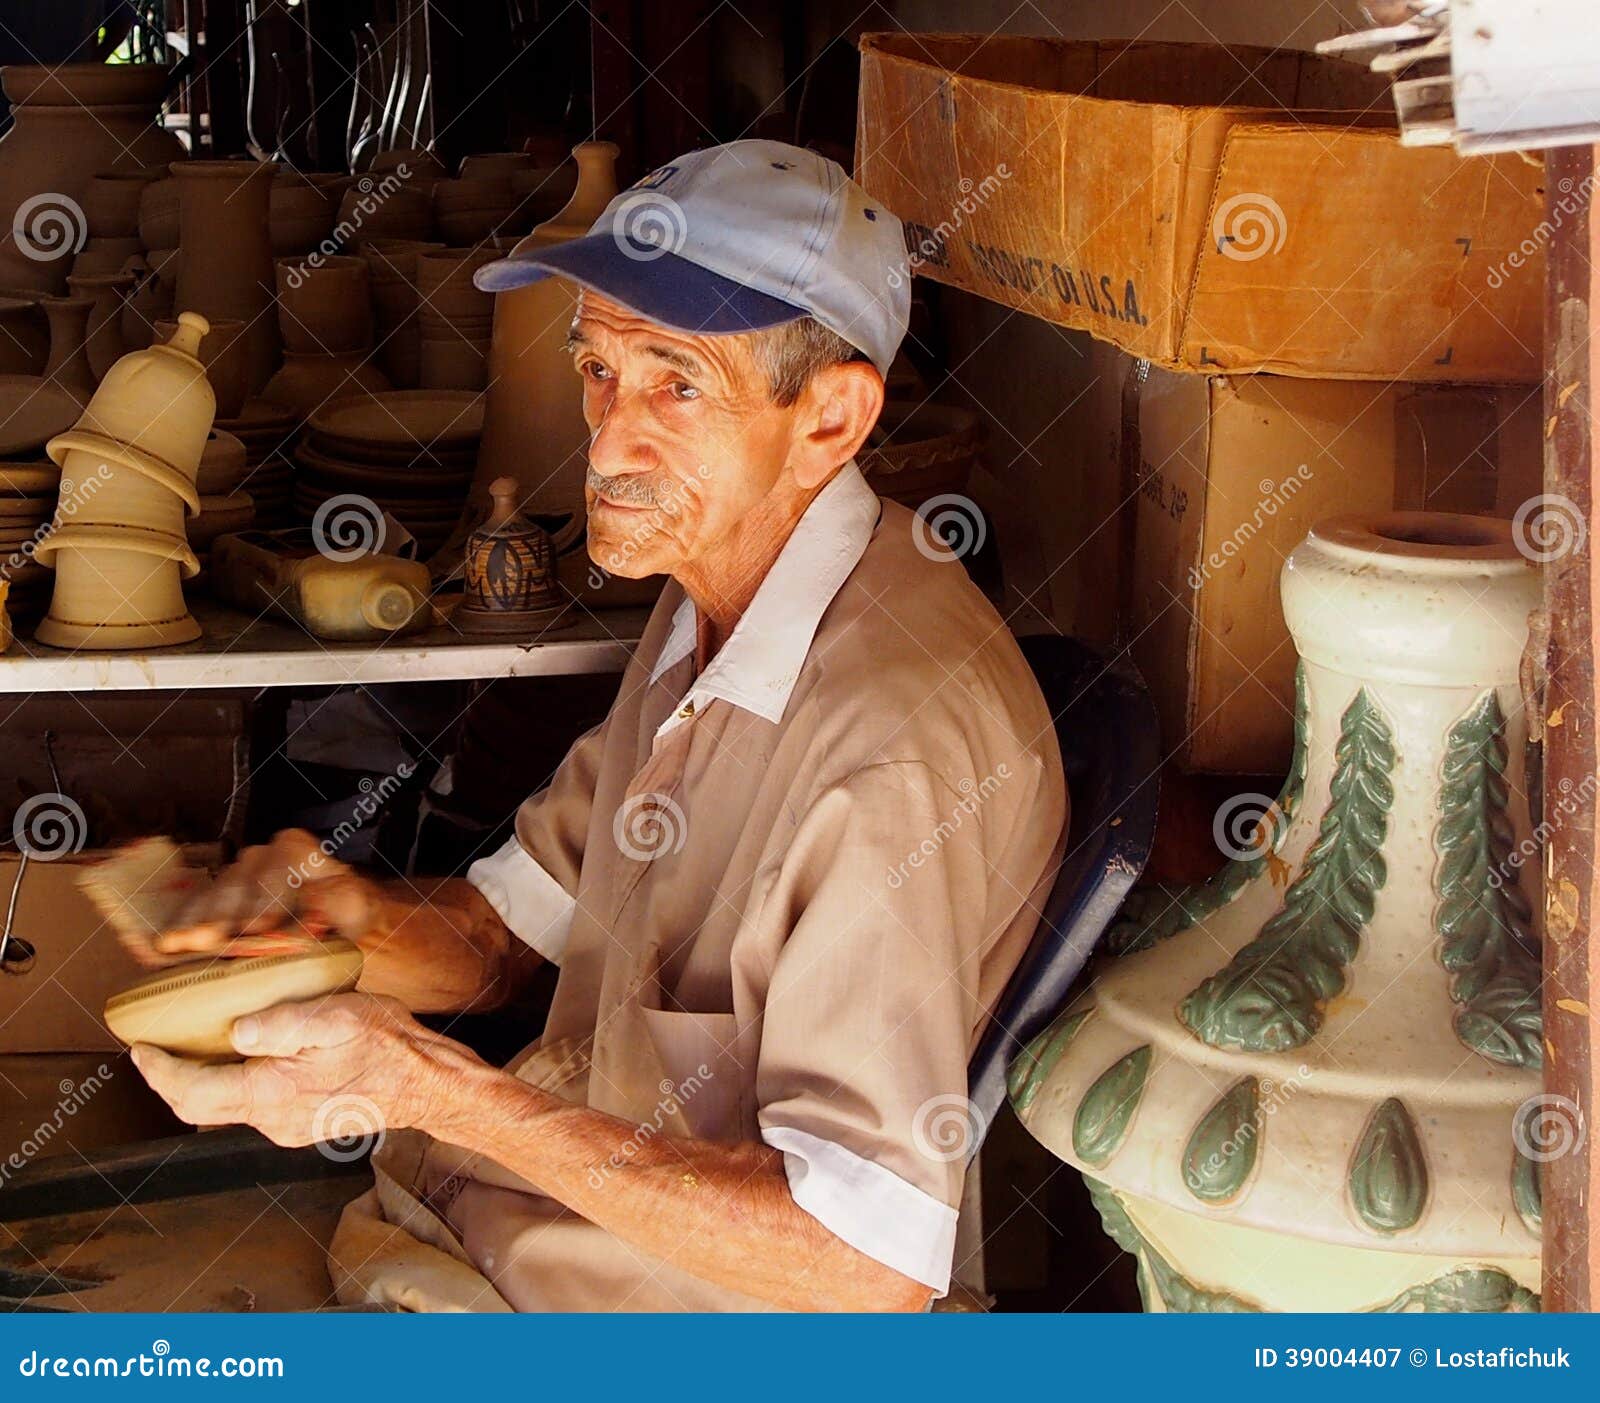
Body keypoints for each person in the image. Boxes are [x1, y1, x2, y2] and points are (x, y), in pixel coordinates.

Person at [129, 140, 1068, 1312]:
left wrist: (431, 1088)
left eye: (676, 383)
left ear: (829, 418)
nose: (608, 442)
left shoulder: (889, 745)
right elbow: (509, 932)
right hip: (475, 1236)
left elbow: (859, 1260)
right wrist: (331, 920)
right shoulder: (708, 604)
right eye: (597, 369)